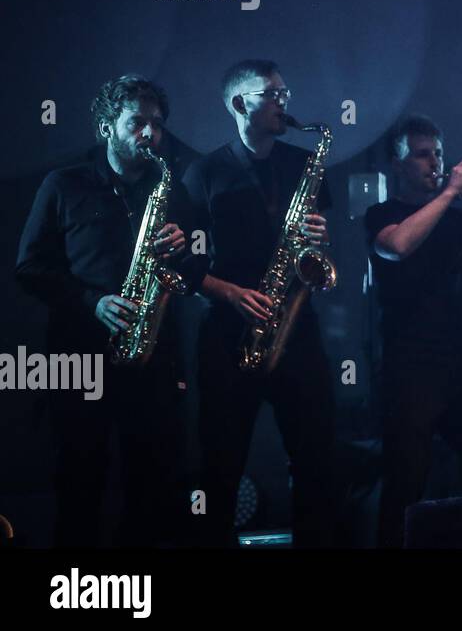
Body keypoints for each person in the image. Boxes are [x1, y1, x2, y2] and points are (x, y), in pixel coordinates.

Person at [15, 75, 207, 546]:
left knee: (154, 490)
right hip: (81, 356)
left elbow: (195, 269)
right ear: (106, 127)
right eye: (137, 122)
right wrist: (91, 301)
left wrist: (184, 248)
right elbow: (30, 268)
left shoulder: (169, 188)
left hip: (152, 358)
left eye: (157, 125)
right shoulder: (64, 184)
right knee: (79, 486)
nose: (150, 134)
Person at [182, 60, 337, 546]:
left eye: (284, 93)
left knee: (316, 459)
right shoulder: (204, 172)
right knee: (221, 465)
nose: (282, 103)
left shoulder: (302, 163)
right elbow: (180, 262)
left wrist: (319, 238)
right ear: (238, 103)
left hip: (296, 326)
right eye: (270, 94)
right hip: (229, 332)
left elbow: (316, 245)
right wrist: (229, 292)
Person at [365, 115, 462, 547]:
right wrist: (451, 191)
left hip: (459, 360)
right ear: (397, 164)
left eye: (439, 154)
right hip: (408, 364)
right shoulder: (382, 215)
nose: (435, 163)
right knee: (405, 483)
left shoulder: (456, 222)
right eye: (422, 155)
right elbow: (398, 247)